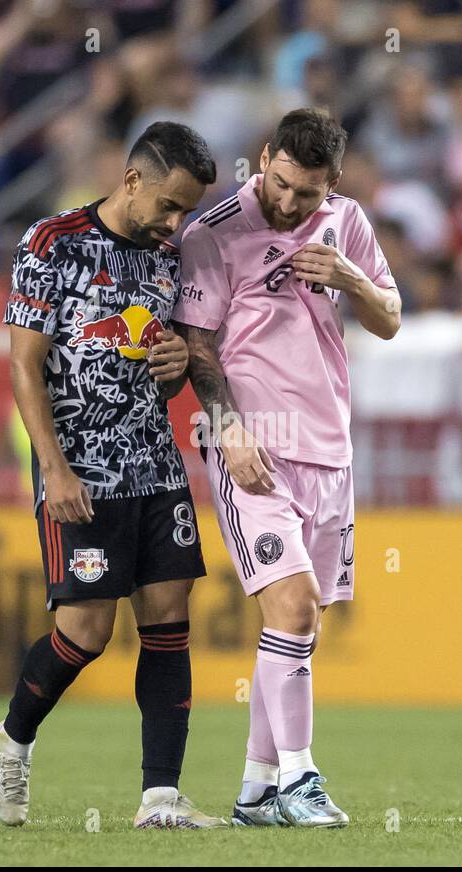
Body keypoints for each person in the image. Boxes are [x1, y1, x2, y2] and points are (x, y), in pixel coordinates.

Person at [0, 122, 225, 829]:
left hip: (155, 462)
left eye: (188, 211)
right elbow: (23, 366)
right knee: (85, 632)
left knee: (169, 618)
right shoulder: (50, 243)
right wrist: (53, 470)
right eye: (171, 205)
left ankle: (160, 796)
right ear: (132, 181)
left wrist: (179, 365)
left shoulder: (167, 257)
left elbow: (165, 359)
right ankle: (13, 737)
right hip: (81, 471)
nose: (177, 222)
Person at [176, 108, 401, 827]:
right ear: (265, 157)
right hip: (255, 452)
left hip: (330, 451)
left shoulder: (348, 222)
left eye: (307, 193)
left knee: (303, 627)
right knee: (294, 606)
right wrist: (228, 429)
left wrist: (350, 278)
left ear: (331, 183)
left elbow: (391, 317)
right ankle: (301, 781)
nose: (288, 203)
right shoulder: (216, 235)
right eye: (279, 183)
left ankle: (254, 793)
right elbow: (197, 346)